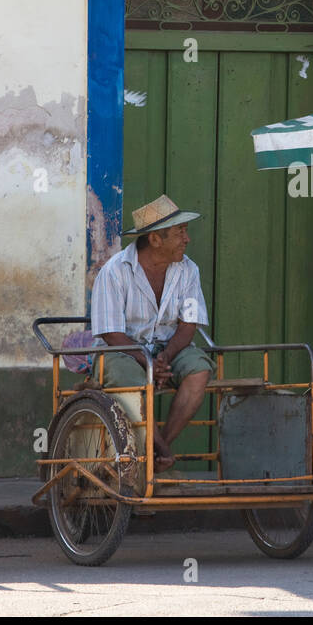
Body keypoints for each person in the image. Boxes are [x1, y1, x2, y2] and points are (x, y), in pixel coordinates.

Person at [90, 194, 215, 471]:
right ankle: (159, 450)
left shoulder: (188, 270)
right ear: (156, 239)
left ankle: (158, 449)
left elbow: (188, 324)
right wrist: (147, 362)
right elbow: (111, 333)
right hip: (121, 351)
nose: (187, 239)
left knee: (199, 370)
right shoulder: (114, 272)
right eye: (180, 232)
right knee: (134, 378)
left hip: (168, 350)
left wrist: (165, 358)